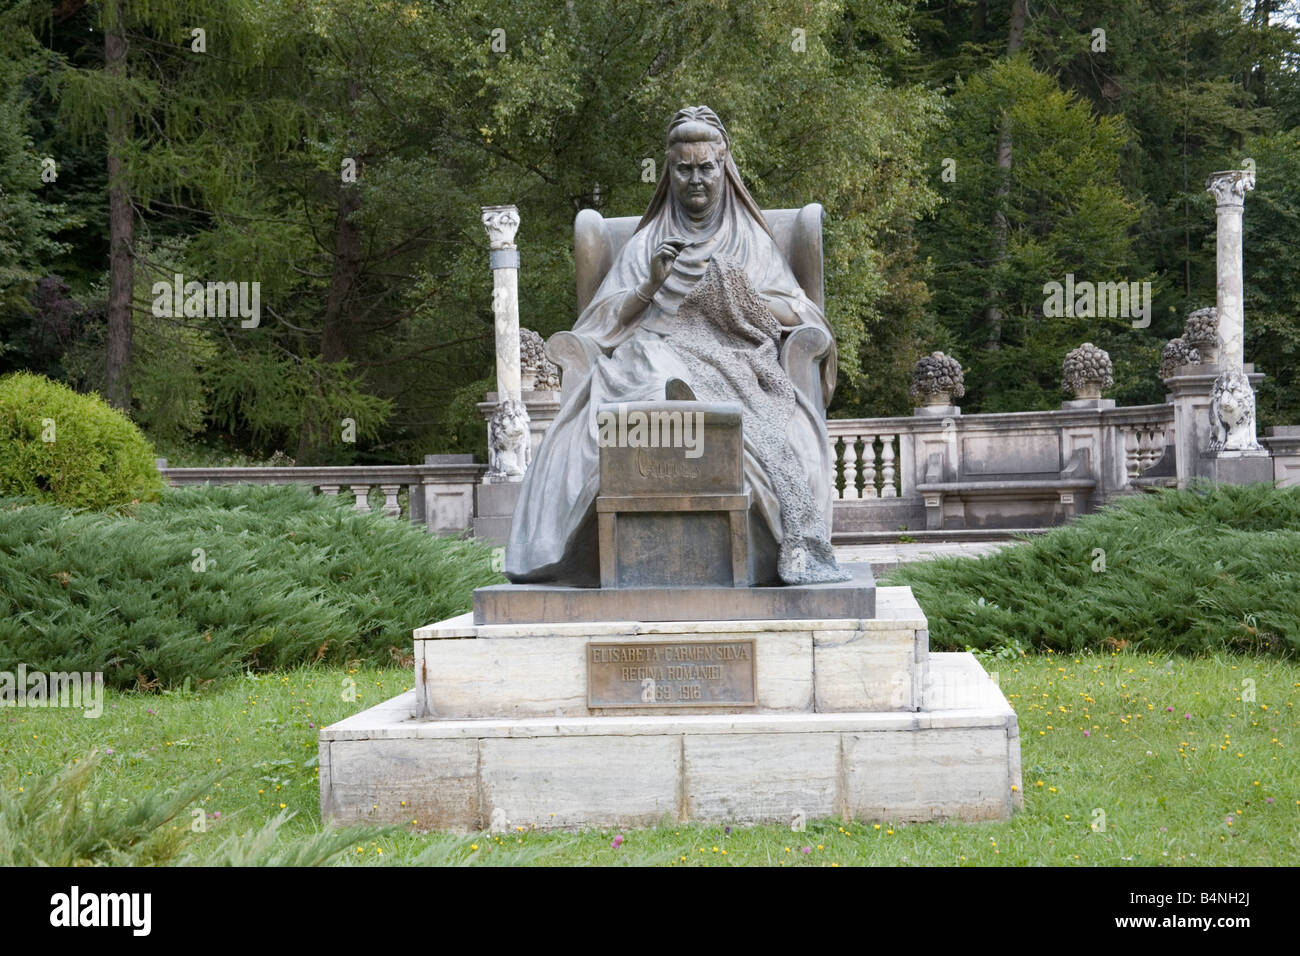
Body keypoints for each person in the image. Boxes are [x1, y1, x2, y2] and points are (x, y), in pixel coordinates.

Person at [506, 106, 846, 586]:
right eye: (683, 169)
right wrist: (651, 285)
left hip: (734, 354)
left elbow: (801, 313)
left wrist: (731, 285)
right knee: (640, 370)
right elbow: (600, 321)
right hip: (654, 344)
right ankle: (672, 409)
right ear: (669, 171)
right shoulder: (647, 242)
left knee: (677, 383)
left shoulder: (752, 240)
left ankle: (690, 408)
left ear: (723, 166)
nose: (696, 180)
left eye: (706, 167)